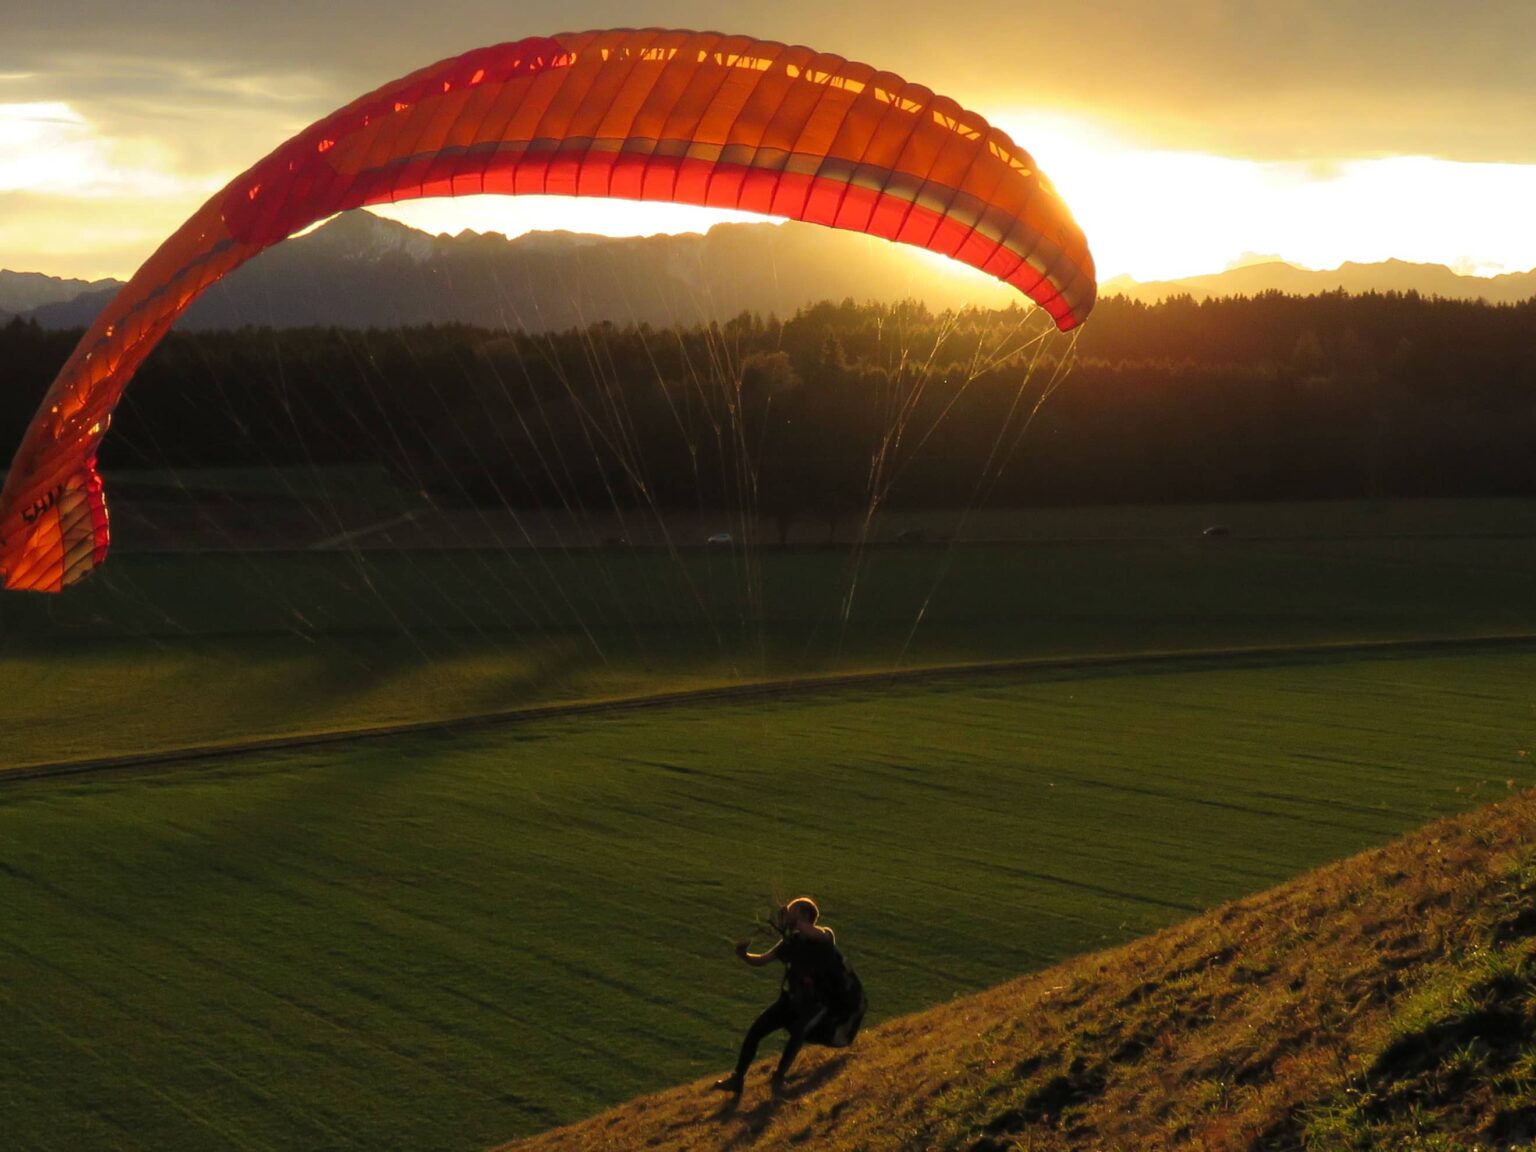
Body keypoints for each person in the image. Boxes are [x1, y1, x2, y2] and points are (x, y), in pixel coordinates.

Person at [713, 896, 866, 1095]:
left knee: (798, 1035)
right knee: (756, 1031)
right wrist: (744, 955)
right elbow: (762, 960)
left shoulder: (825, 935)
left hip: (815, 1004)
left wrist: (795, 923)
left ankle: (779, 1077)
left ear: (804, 915)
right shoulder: (790, 941)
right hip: (790, 1001)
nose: (787, 913)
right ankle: (738, 1078)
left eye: (793, 910)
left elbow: (815, 934)